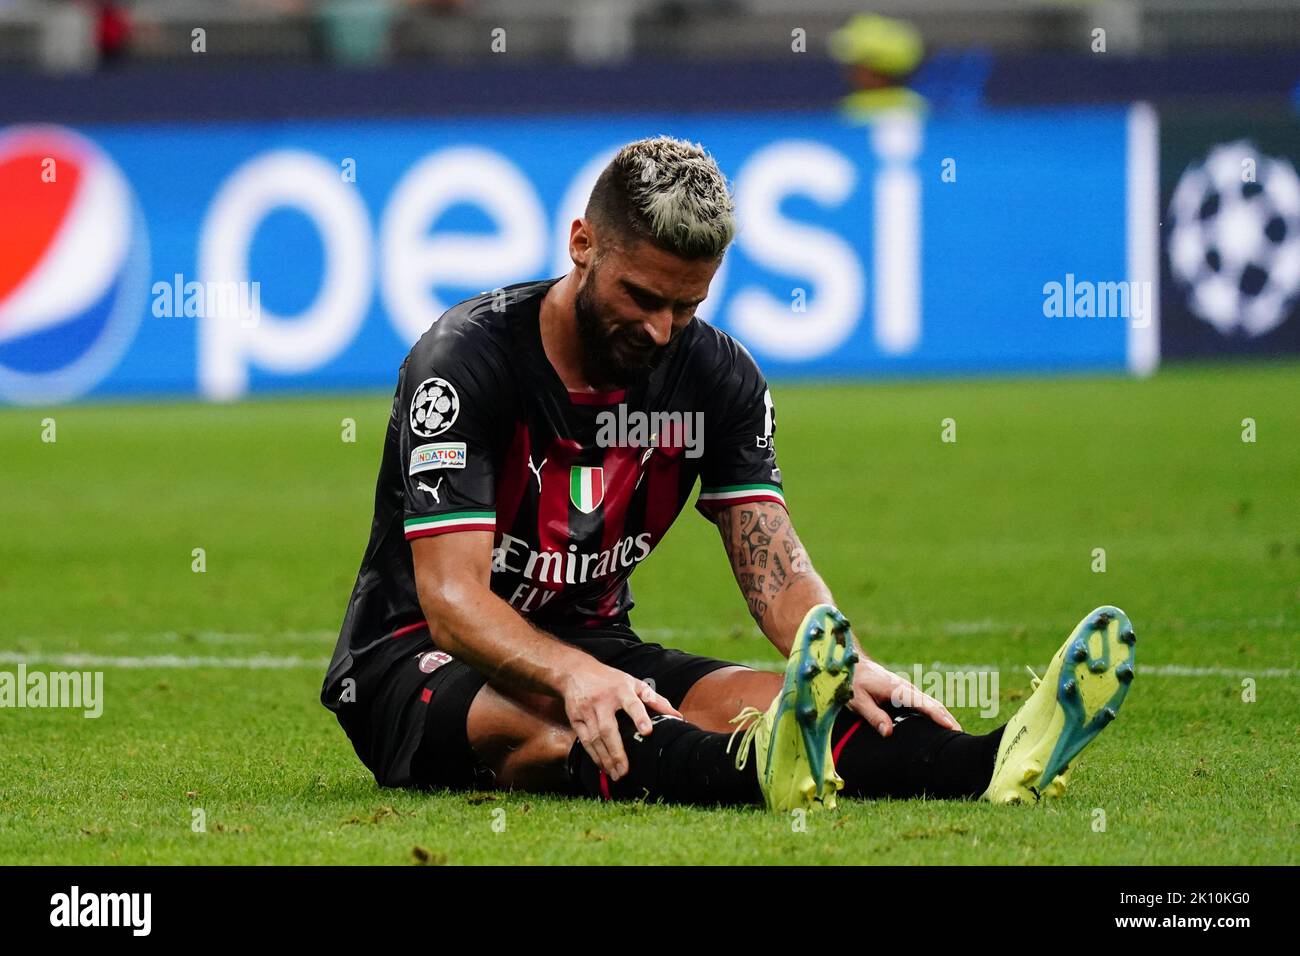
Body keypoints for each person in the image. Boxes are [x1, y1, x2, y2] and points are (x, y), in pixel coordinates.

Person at [321, 135, 1136, 809]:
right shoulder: (464, 363)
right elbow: (453, 601)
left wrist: (838, 662)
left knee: (783, 705)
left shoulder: (718, 377)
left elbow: (772, 558)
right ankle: (744, 776)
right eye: (641, 297)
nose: (663, 329)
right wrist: (574, 674)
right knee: (552, 718)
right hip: (413, 663)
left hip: (595, 642)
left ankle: (989, 765)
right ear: (581, 244)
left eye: (687, 306)